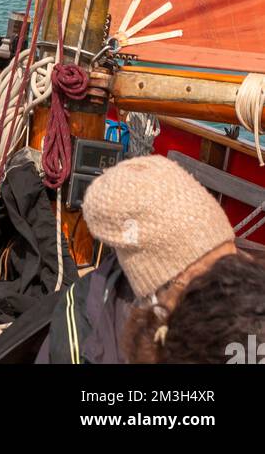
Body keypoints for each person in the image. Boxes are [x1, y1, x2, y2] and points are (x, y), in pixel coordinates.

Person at [81, 152, 265, 363]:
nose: (230, 286)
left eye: (235, 260)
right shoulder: (93, 341)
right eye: (206, 278)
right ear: (158, 290)